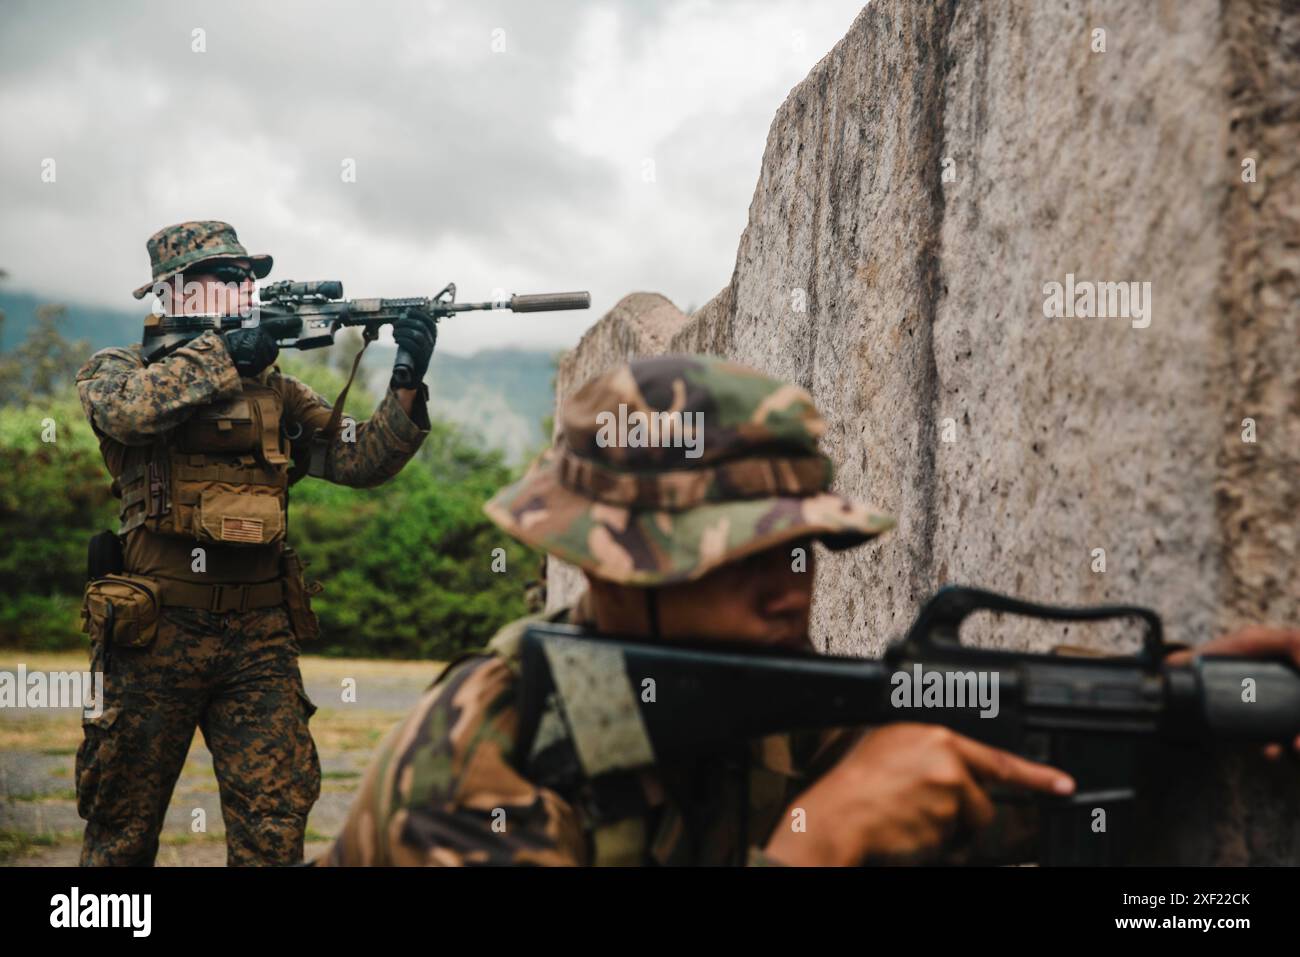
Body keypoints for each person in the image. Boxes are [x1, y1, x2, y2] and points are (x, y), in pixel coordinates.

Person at [321, 354, 1300, 866]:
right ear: (611, 570)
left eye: (804, 543)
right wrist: (815, 845)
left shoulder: (768, 717)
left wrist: (1178, 702)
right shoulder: (472, 768)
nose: (790, 578)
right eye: (737, 549)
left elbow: (1002, 790)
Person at [74, 220, 438, 866]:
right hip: (153, 634)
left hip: (259, 637)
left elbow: (359, 459)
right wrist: (225, 355)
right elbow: (132, 410)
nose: (244, 290)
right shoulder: (118, 369)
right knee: (119, 834)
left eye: (247, 281)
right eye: (227, 279)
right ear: (178, 292)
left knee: (275, 829)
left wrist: (407, 376)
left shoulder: (276, 391)